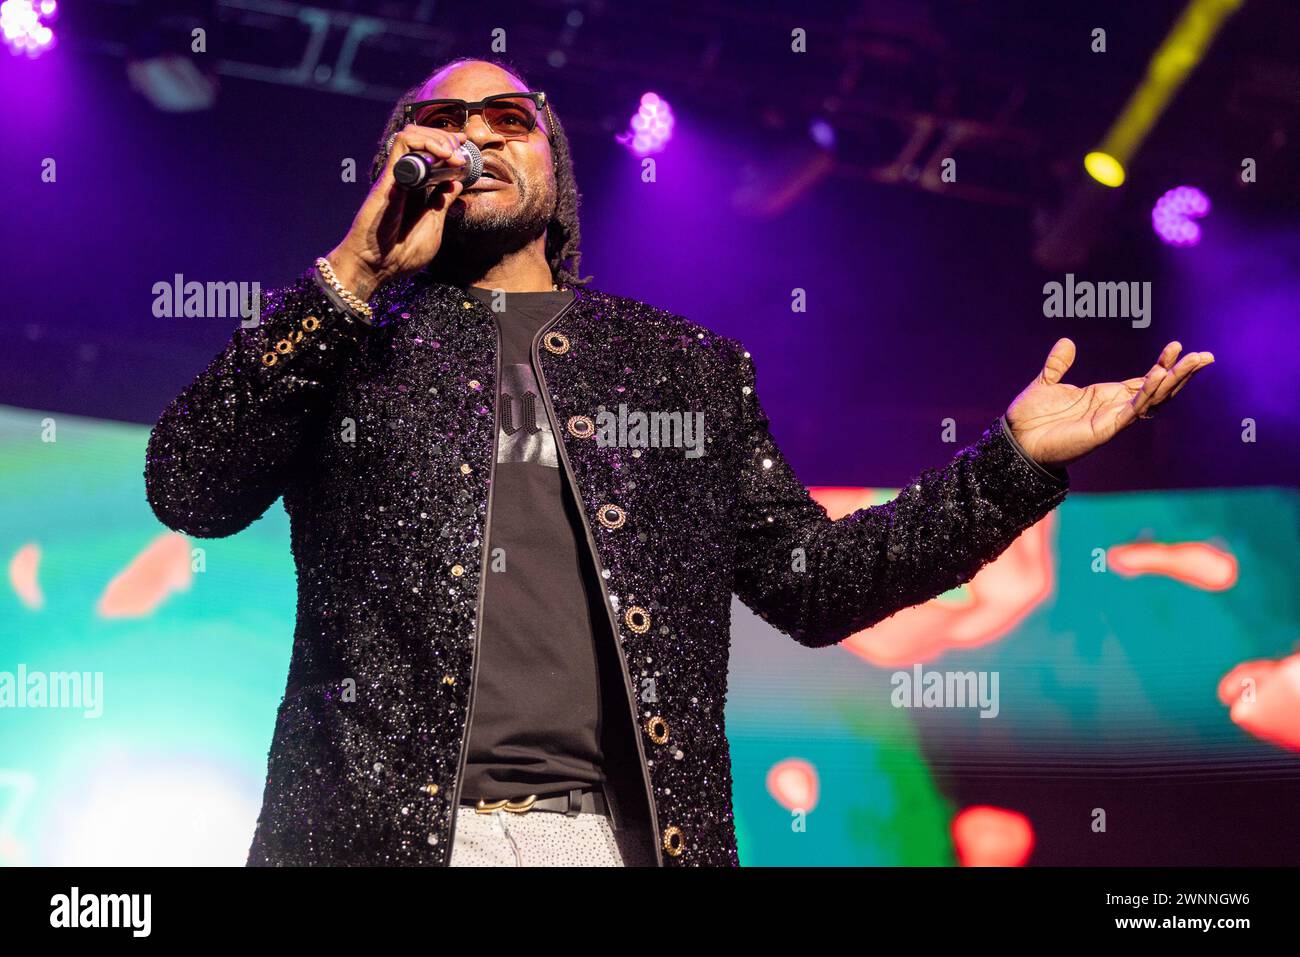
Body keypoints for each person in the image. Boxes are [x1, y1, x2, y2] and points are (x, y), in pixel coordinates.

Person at [144, 56, 1214, 867]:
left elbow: (815, 584)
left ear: (553, 168)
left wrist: (1012, 462)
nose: (473, 136)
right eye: (439, 122)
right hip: (370, 840)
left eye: (506, 120)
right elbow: (190, 486)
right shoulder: (345, 342)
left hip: (612, 841)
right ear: (400, 165)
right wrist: (349, 275)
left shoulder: (676, 370)